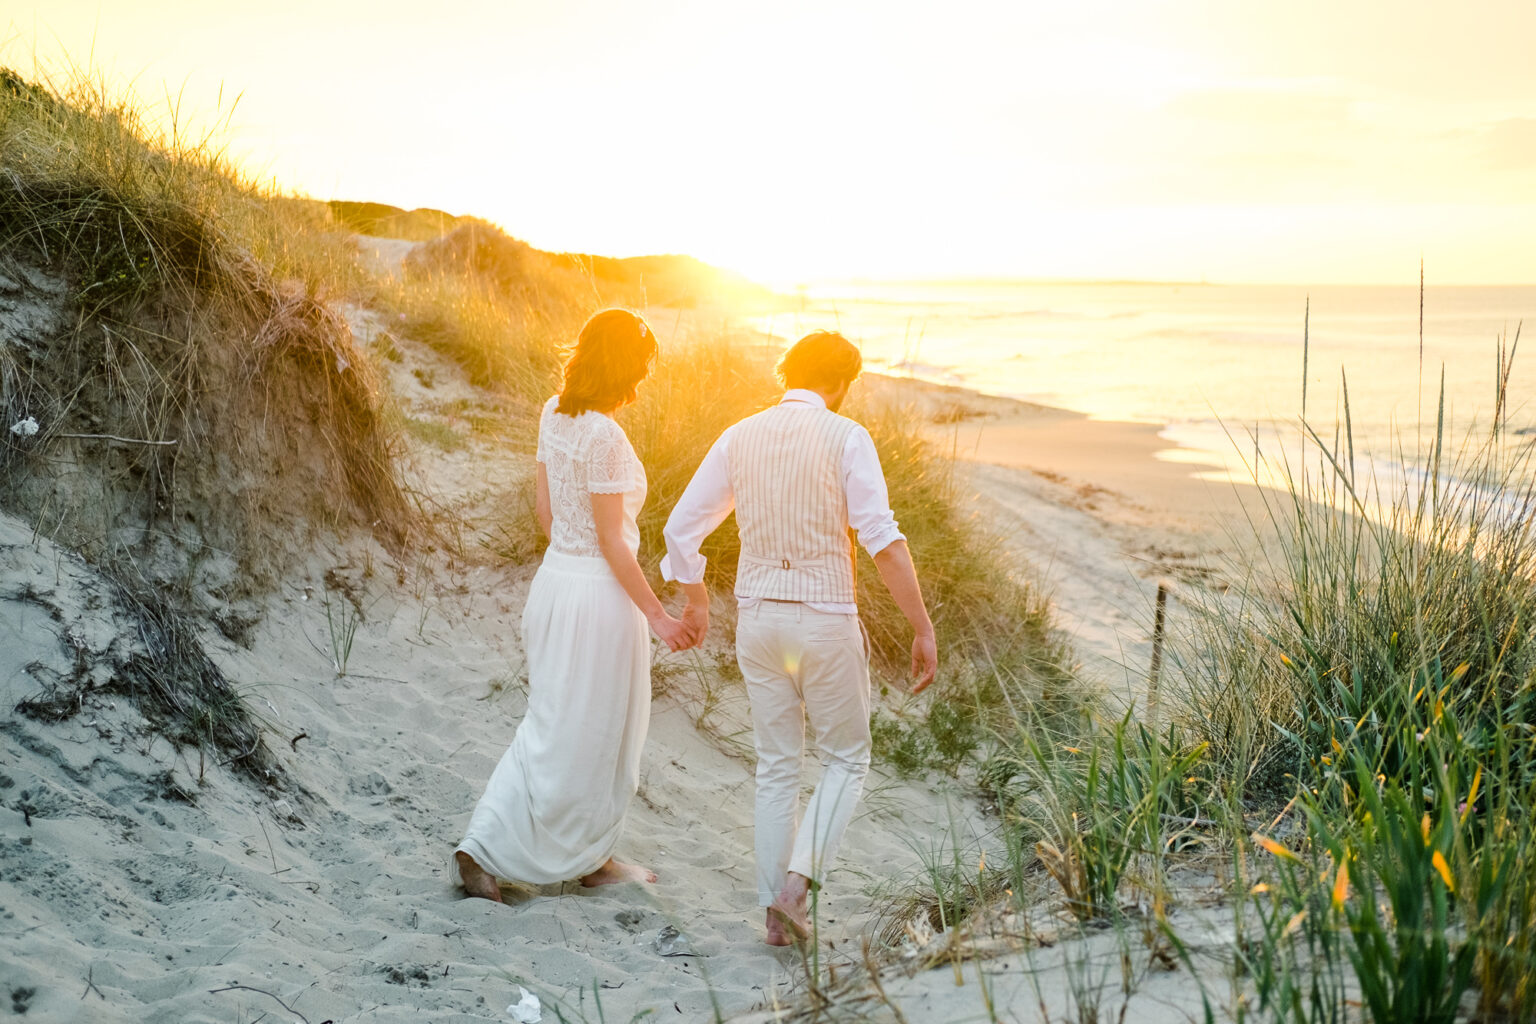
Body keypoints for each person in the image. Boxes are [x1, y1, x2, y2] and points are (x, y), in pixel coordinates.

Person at [661, 330, 938, 945]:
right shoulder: (848, 437)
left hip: (759, 619)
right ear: (839, 383)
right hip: (824, 618)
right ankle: (794, 892)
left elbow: (682, 529)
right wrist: (921, 625)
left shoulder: (740, 435)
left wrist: (697, 596)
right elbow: (883, 541)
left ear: (790, 373)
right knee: (846, 758)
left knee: (777, 767)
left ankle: (773, 917)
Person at [451, 308, 696, 902]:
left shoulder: (553, 413)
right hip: (596, 598)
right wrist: (658, 616)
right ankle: (483, 846)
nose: (644, 375)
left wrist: (572, 555)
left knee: (564, 724)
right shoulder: (606, 436)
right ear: (626, 366)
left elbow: (547, 513)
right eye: (642, 364)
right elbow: (614, 542)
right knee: (587, 730)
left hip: (555, 580)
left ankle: (592, 857)